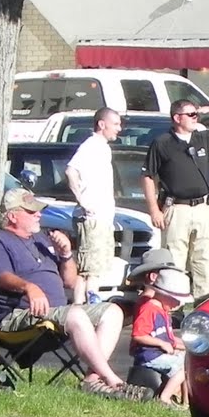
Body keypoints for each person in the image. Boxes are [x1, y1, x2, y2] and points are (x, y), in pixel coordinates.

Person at [0, 187, 149, 399]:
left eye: (38, 210)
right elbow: (1, 277)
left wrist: (66, 254)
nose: (38, 215)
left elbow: (69, 281)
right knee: (75, 314)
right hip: (17, 316)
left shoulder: (40, 239)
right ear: (12, 216)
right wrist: (29, 287)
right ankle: (113, 381)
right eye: (31, 212)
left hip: (55, 314)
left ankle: (92, 379)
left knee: (113, 312)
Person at [142, 97, 209, 304]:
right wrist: (154, 210)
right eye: (191, 114)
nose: (196, 118)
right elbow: (148, 176)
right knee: (175, 261)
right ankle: (174, 304)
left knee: (204, 259)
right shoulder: (162, 143)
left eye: (197, 114)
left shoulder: (204, 138)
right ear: (177, 118)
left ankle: (203, 303)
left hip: (203, 207)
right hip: (177, 208)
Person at [65, 106, 123, 302]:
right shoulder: (90, 145)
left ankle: (84, 305)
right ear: (102, 124)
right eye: (116, 124)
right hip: (92, 219)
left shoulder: (103, 147)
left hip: (102, 218)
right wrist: (83, 201)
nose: (119, 128)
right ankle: (85, 306)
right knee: (89, 269)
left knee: (94, 268)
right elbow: (71, 171)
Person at [127, 256, 190, 406]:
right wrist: (161, 344)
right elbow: (138, 335)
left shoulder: (163, 311)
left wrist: (186, 346)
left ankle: (186, 402)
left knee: (188, 360)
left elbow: (169, 339)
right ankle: (164, 398)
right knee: (184, 367)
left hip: (158, 352)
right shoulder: (148, 309)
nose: (178, 304)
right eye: (175, 300)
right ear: (163, 294)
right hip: (149, 356)